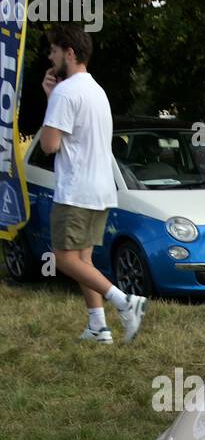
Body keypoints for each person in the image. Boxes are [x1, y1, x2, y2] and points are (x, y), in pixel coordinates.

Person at [38, 24, 147, 344]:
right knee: (83, 260)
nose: (50, 56)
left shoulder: (65, 92)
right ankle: (98, 326)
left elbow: (49, 145)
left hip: (75, 190)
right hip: (100, 189)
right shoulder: (96, 90)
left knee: (64, 257)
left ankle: (125, 301)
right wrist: (52, 97)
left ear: (69, 53)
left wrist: (51, 99)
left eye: (54, 50)